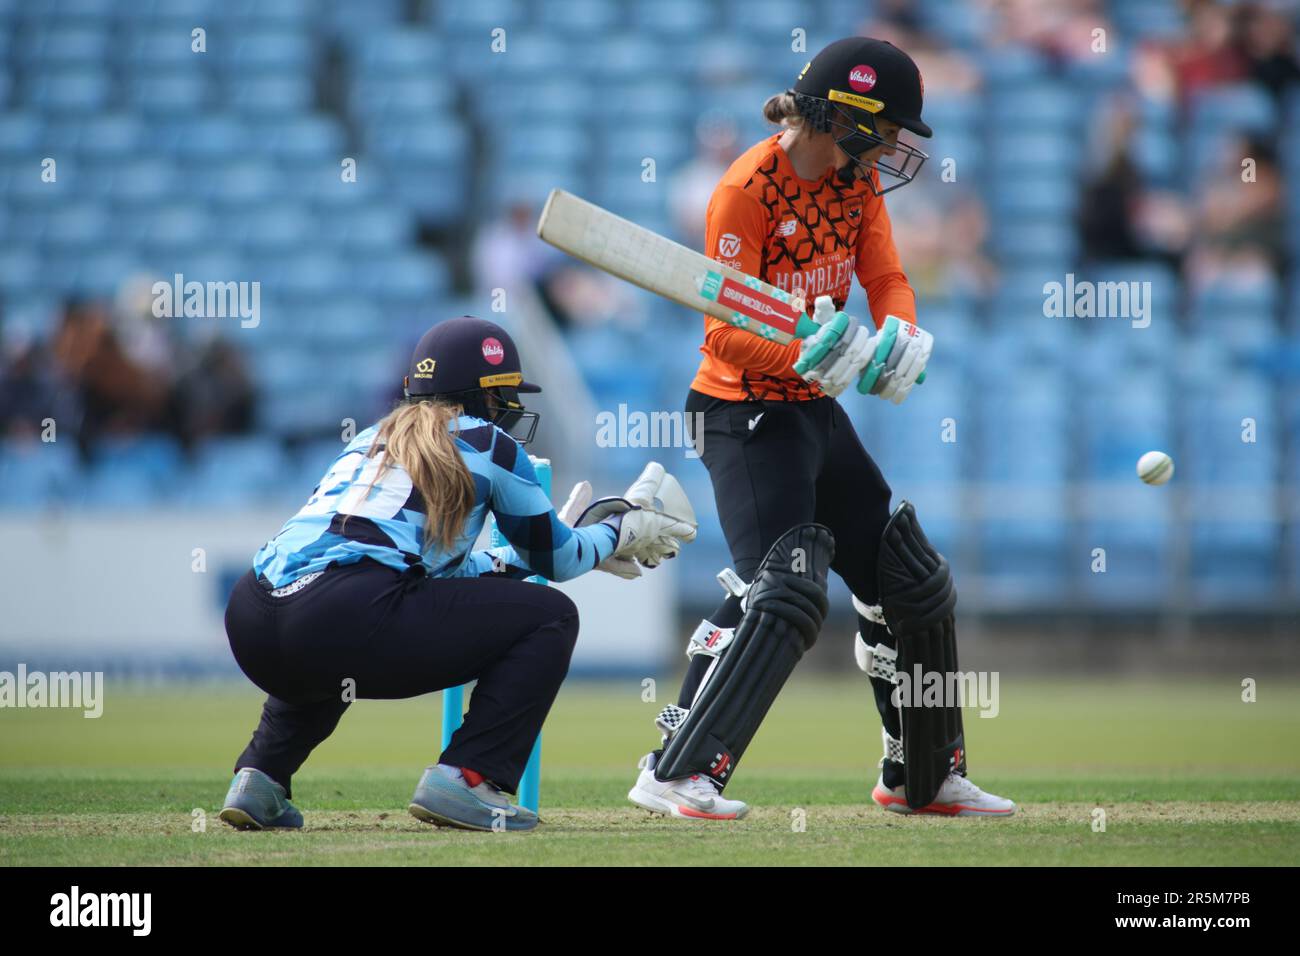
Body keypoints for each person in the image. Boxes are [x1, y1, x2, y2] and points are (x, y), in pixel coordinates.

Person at [626, 37, 1015, 819]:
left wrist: (900, 331)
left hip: (810, 408)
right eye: (892, 128)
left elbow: (886, 279)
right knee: (783, 584)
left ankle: (923, 775)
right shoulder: (746, 190)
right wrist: (806, 353)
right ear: (844, 116)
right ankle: (674, 769)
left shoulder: (857, 179)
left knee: (909, 579)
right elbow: (723, 332)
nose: (897, 147)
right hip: (742, 412)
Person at [219, 316, 696, 832]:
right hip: (345, 609)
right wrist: (620, 530)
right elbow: (557, 562)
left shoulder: (369, 439)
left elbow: (417, 565)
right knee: (550, 617)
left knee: (326, 645)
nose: (510, 407)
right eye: (504, 395)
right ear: (480, 396)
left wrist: (534, 555)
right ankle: (467, 779)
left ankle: (259, 778)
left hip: (252, 613)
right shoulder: (487, 442)